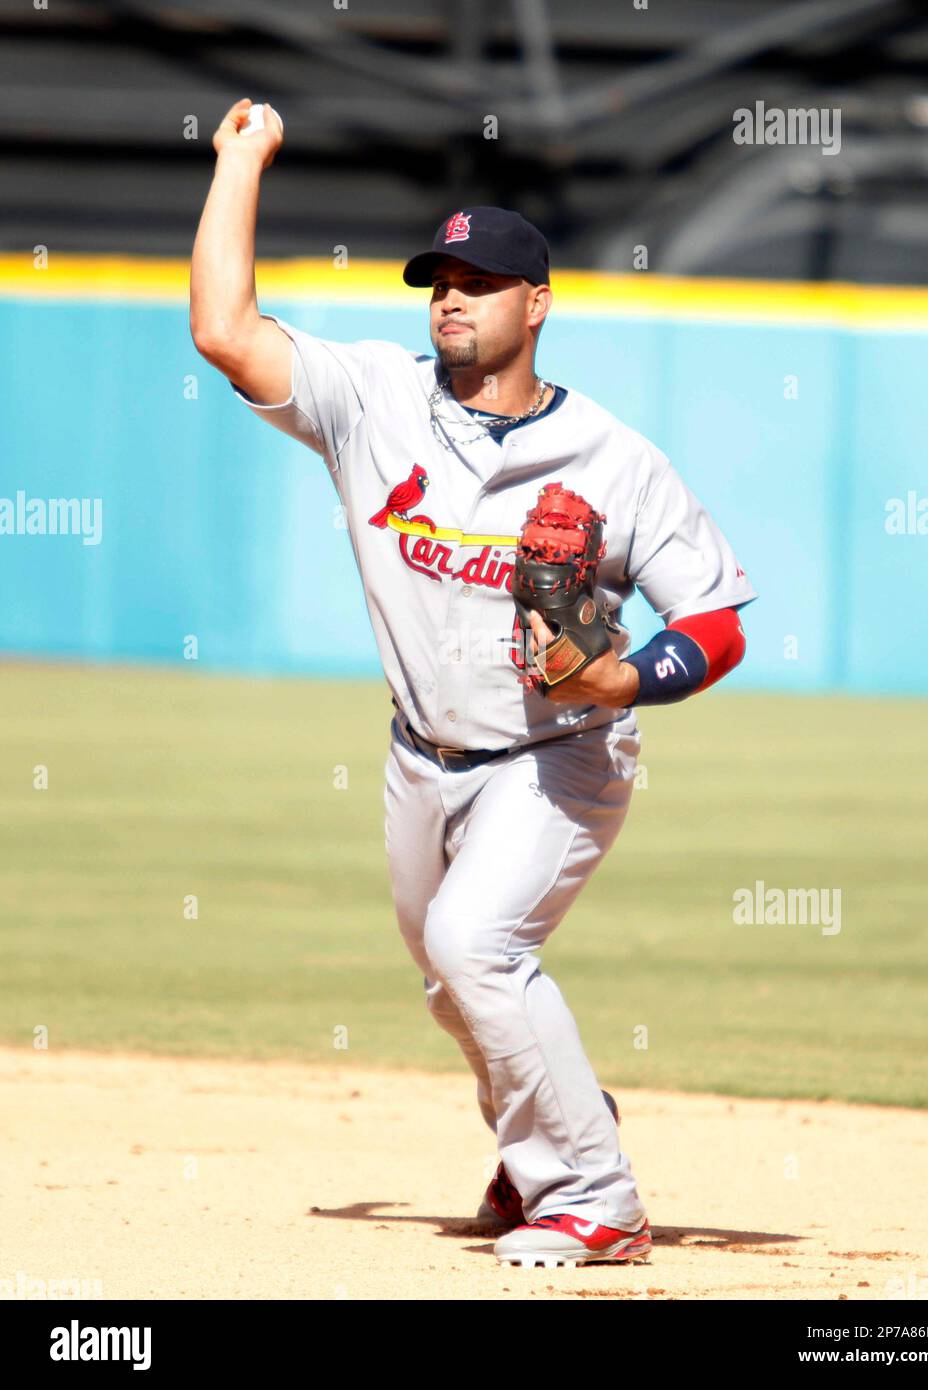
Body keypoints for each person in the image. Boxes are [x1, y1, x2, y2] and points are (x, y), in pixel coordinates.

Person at [190, 100, 757, 1269]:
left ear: (534, 304)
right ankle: (549, 1132)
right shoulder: (372, 399)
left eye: (479, 282)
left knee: (474, 945)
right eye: (438, 281)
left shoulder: (613, 459)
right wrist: (239, 161)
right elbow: (223, 330)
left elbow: (713, 622)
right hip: (419, 754)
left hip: (558, 755)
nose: (450, 297)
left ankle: (596, 1197)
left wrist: (624, 678)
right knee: (452, 985)